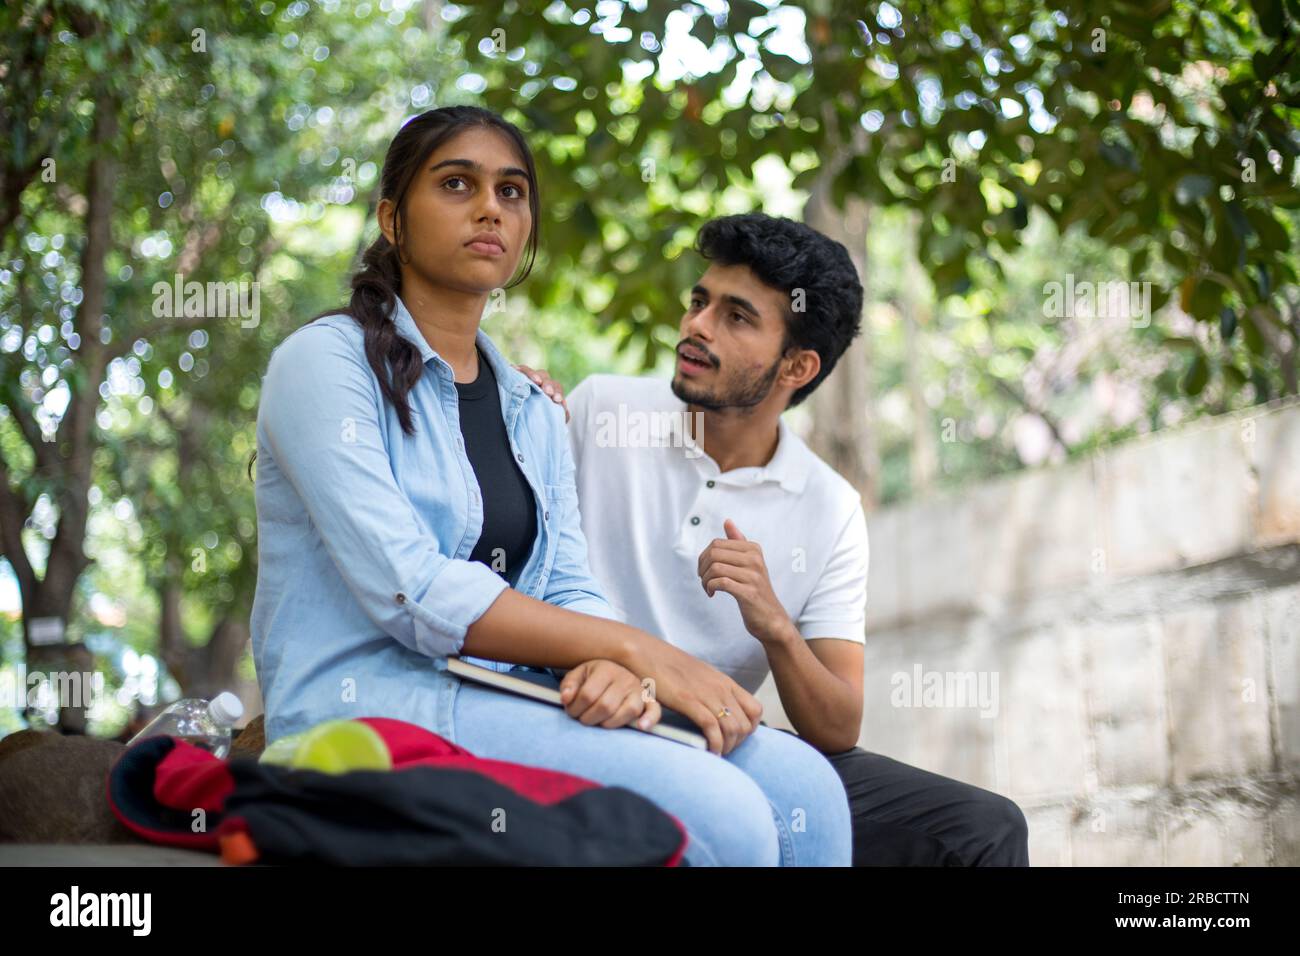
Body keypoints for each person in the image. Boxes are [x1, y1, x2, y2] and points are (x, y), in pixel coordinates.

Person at [248, 107, 851, 866]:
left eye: (512, 191)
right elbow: (413, 591)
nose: (490, 207)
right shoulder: (323, 366)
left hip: (511, 694)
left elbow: (566, 579)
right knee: (723, 814)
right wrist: (634, 647)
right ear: (393, 219)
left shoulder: (529, 408)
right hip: (372, 706)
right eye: (457, 184)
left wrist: (604, 663)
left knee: (807, 792)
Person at [518, 212, 1030, 866]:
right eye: (700, 302)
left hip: (716, 738)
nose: (697, 325)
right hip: (587, 707)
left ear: (798, 365)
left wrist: (775, 625)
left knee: (982, 829)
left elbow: (838, 724)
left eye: (736, 316)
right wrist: (518, 410)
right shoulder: (603, 411)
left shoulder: (830, 508)